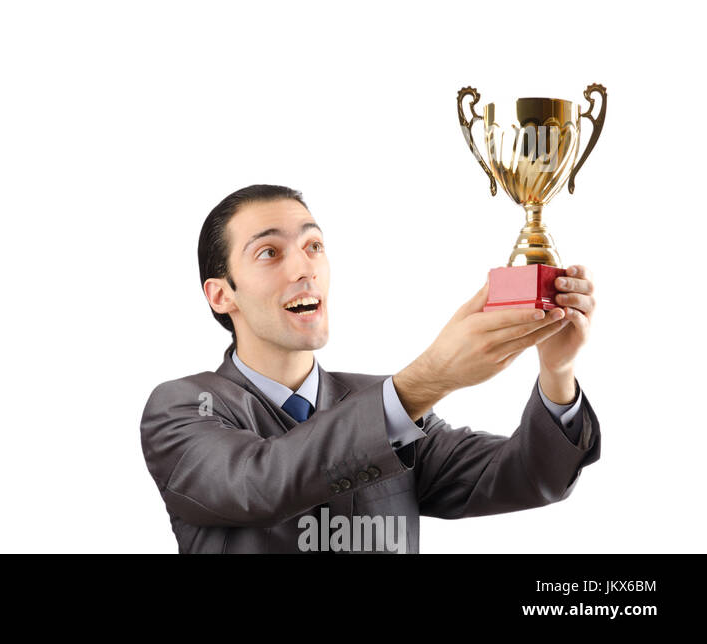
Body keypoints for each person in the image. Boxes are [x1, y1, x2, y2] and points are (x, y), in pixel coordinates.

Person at [139, 185, 601, 553]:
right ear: (222, 294)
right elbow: (258, 485)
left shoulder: (387, 402)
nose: (305, 268)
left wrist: (556, 371)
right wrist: (429, 379)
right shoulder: (181, 409)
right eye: (269, 253)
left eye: (313, 245)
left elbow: (529, 476)